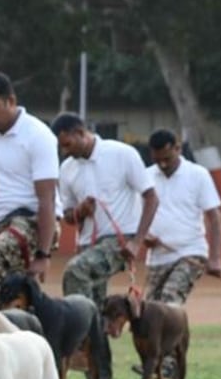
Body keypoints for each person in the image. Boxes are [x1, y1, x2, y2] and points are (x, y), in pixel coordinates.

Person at [51, 112, 158, 308]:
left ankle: (79, 330)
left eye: (67, 144)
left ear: (81, 132)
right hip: (86, 244)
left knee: (75, 271)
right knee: (96, 305)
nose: (64, 151)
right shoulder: (66, 168)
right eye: (61, 147)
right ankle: (95, 334)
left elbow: (151, 197)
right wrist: (80, 211)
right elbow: (68, 217)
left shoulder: (122, 154)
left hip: (120, 240)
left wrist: (137, 242)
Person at [0, 71, 60, 301]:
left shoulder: (39, 135)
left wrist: (43, 254)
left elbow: (47, 199)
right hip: (3, 223)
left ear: (11, 101)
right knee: (11, 291)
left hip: (33, 222)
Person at [141, 128, 221, 304]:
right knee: (151, 310)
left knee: (170, 300)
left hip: (190, 252)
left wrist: (215, 258)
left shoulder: (198, 174)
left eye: (167, 159)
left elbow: (214, 217)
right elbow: (135, 216)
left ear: (178, 148)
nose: (162, 164)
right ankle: (176, 332)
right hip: (157, 256)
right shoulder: (145, 176)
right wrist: (143, 237)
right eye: (157, 160)